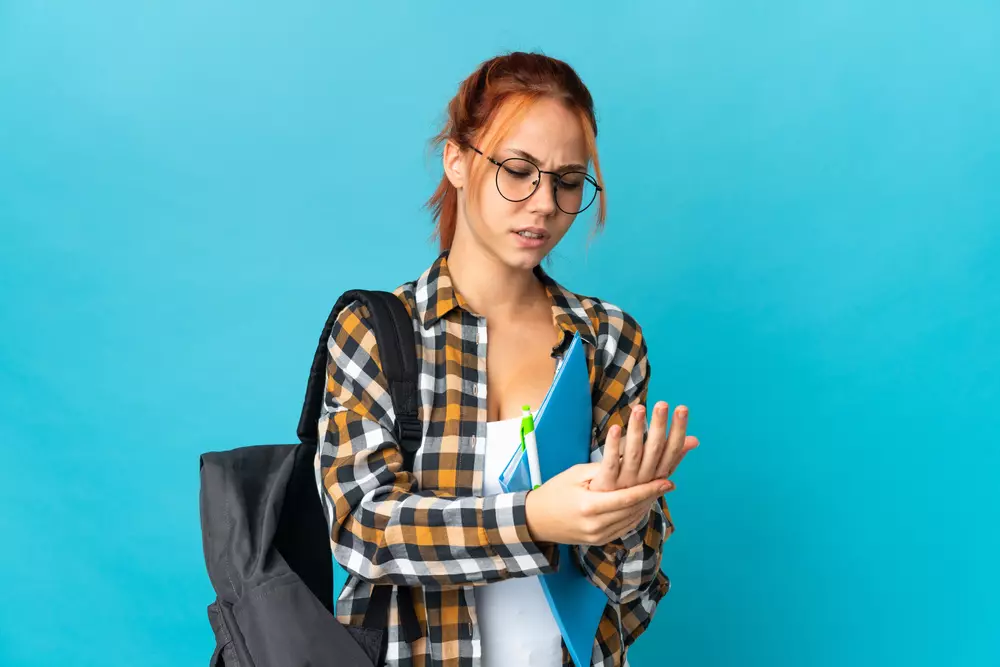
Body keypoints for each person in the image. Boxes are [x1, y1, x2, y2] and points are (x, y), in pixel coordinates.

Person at [316, 51, 699, 667]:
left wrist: (625, 512)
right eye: (519, 170)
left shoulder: (606, 341)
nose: (544, 203)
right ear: (458, 161)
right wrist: (533, 518)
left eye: (568, 180)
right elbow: (364, 530)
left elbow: (633, 598)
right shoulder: (379, 330)